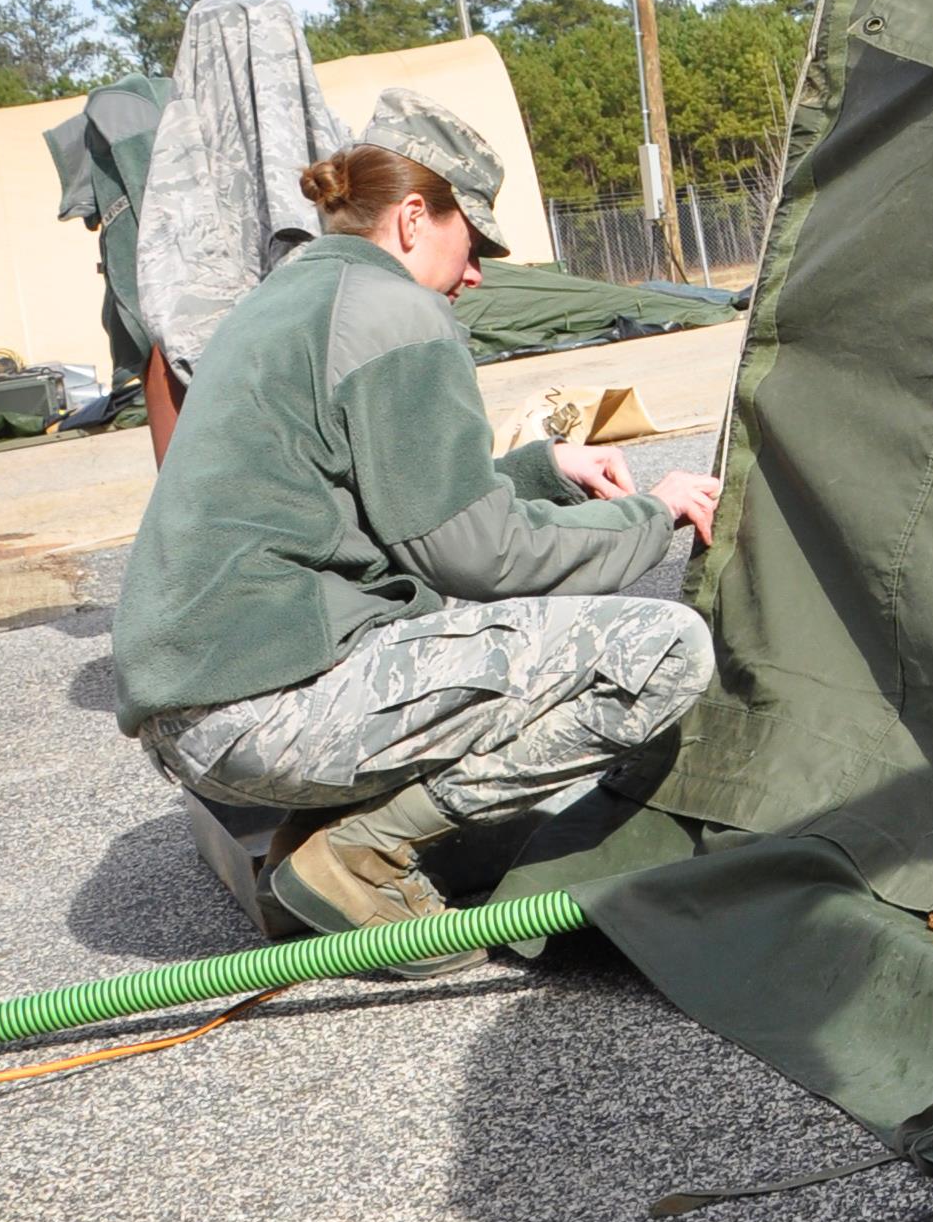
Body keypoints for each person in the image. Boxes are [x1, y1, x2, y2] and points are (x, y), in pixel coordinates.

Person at [114, 99, 719, 933]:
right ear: (410, 218)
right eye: (474, 239)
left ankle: (316, 836)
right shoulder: (395, 312)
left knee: (467, 631)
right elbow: (481, 557)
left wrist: (542, 470)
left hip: (202, 712)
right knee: (661, 653)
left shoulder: (290, 298)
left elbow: (378, 498)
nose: (477, 273)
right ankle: (362, 853)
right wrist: (655, 514)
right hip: (267, 710)